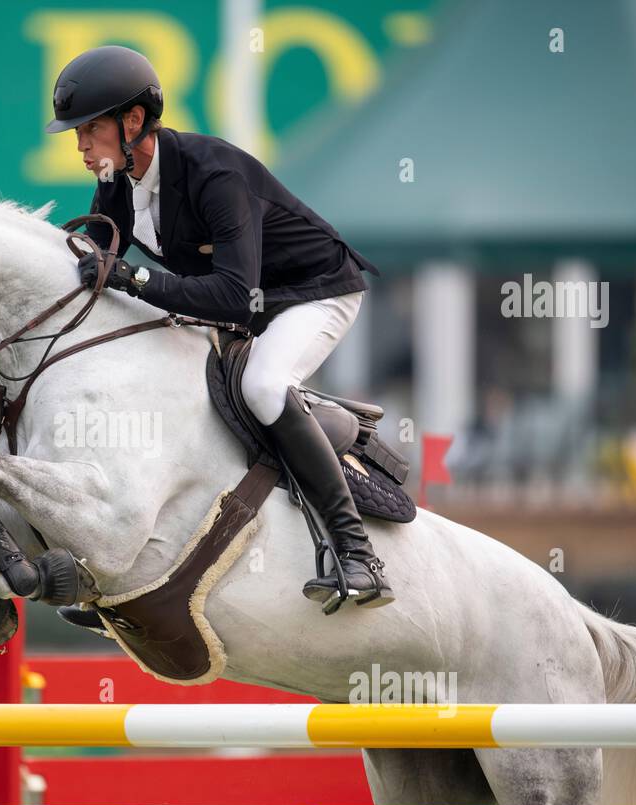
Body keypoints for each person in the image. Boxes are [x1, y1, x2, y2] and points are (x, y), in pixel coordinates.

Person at [45, 45, 393, 610]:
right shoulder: (118, 176)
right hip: (246, 302)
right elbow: (97, 261)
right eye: (77, 135)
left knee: (261, 387)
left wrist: (133, 279)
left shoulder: (215, 175)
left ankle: (357, 553)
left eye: (89, 131)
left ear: (133, 122)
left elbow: (232, 296)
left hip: (313, 293)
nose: (81, 148)